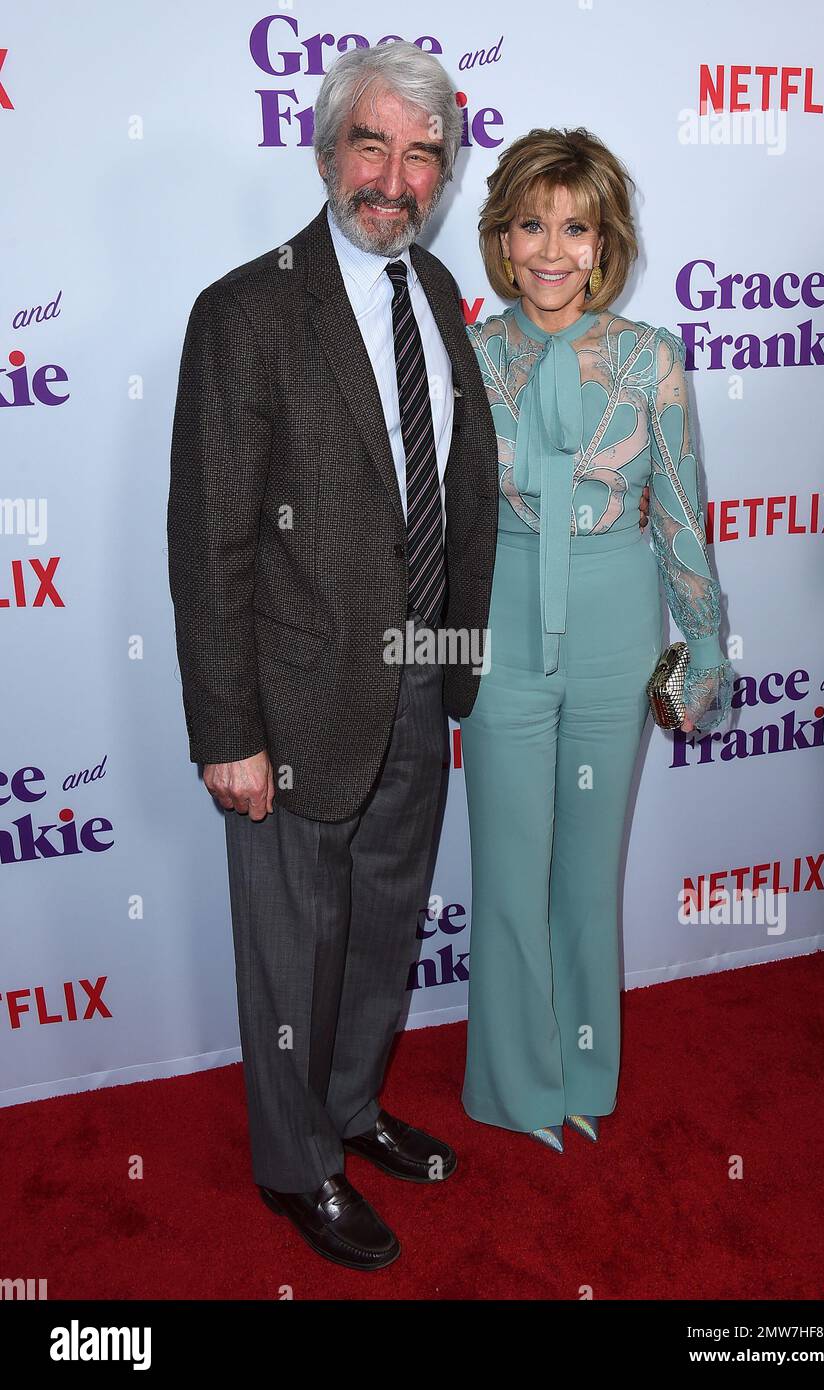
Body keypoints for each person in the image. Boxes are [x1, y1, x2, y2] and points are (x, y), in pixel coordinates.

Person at [166, 42, 505, 1271]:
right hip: (292, 701)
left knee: (384, 927)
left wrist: (457, 667)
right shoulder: (247, 310)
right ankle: (293, 1164)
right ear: (327, 151)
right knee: (290, 952)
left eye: (423, 156)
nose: (395, 178)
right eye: (374, 145)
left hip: (419, 676)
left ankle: (351, 1109)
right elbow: (207, 540)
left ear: (444, 176)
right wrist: (227, 731)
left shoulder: (441, 300)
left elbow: (455, 494)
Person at [460, 127, 735, 1152]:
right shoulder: (470, 355)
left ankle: (581, 1069)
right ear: (500, 235)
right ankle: (512, 1084)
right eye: (530, 223)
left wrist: (703, 640)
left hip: (619, 622)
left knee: (586, 870)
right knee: (508, 866)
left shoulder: (651, 358)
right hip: (501, 627)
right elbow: (439, 522)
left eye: (574, 226)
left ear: (605, 239)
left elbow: (678, 509)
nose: (550, 248)